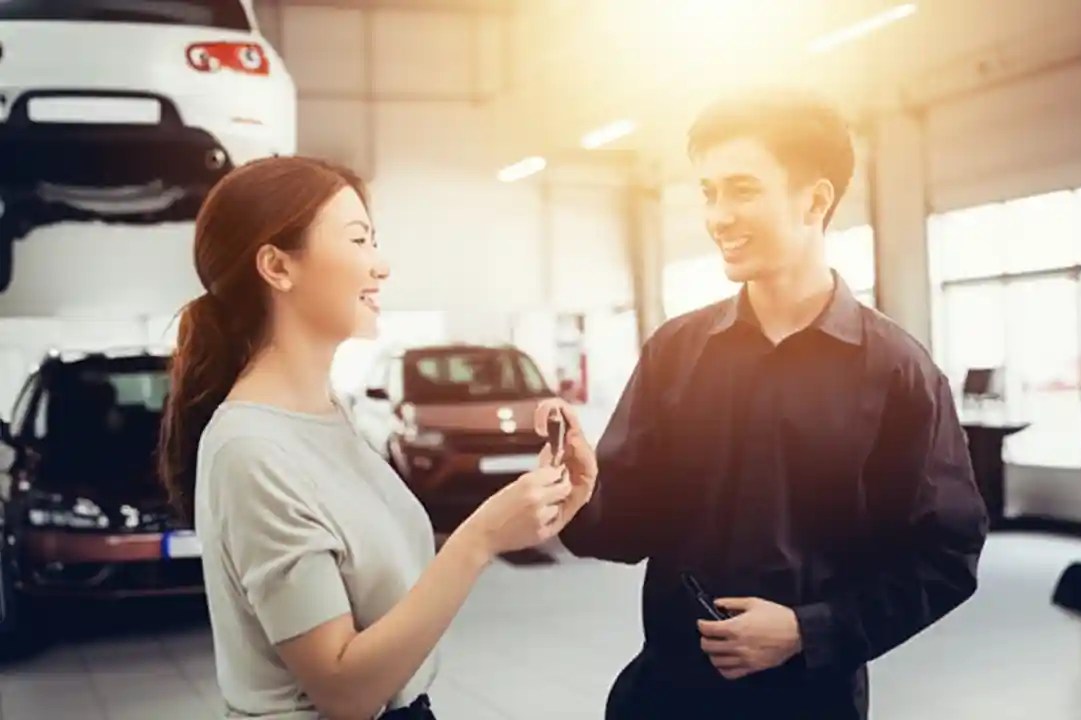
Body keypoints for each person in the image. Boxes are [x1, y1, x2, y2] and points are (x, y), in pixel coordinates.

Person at [536, 88, 990, 718]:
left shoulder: (896, 373)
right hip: (667, 695)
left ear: (815, 199)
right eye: (708, 191)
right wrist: (581, 490)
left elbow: (944, 555)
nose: (718, 215)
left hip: (809, 701)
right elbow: (627, 525)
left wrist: (811, 629)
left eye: (742, 189)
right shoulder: (677, 352)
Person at [157, 156, 577, 720]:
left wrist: (541, 510)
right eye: (359, 240)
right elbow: (345, 691)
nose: (381, 267)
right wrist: (478, 540)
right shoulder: (250, 450)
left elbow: (381, 596)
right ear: (278, 267)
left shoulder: (328, 416)